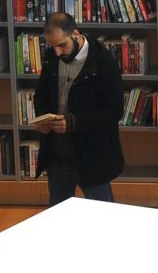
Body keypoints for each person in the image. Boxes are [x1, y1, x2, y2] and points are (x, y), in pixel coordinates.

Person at [33, 12, 124, 205]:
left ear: (75, 34)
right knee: (58, 220)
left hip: (92, 156)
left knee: (104, 220)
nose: (57, 52)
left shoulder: (103, 62)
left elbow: (113, 112)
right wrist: (42, 118)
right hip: (57, 154)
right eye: (52, 46)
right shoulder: (52, 58)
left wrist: (73, 122)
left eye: (62, 45)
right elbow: (41, 94)